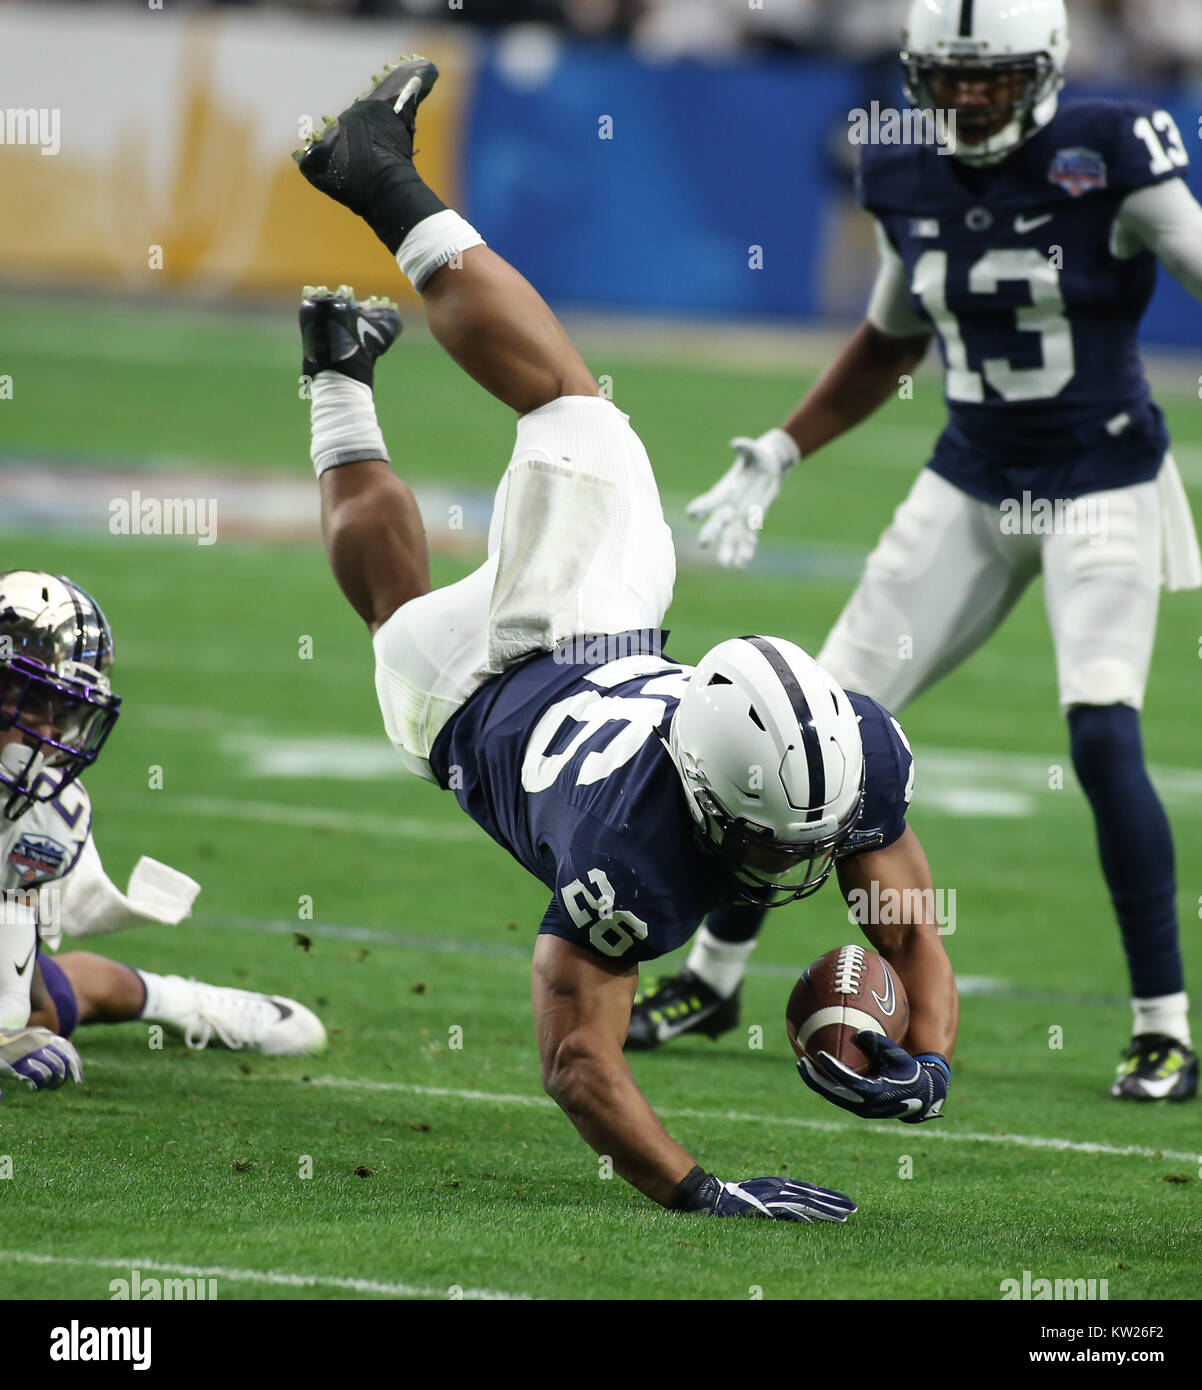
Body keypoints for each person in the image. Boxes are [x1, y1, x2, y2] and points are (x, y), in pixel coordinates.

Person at [294, 56, 958, 1222]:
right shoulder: (632, 856)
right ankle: (375, 176)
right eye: (763, 840)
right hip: (531, 678)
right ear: (701, 786)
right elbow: (575, 1060)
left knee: (405, 625)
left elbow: (905, 926)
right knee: (573, 413)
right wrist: (698, 1190)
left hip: (469, 686)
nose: (788, 864)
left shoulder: (838, 752)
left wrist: (932, 1058)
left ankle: (337, 374)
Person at [658, 0, 1202, 1101]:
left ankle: (1161, 1024)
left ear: (1044, 68)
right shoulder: (901, 168)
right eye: (943, 77)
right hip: (966, 479)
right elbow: (889, 336)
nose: (961, 99)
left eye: (987, 77)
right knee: (799, 731)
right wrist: (780, 444)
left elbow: (1200, 254)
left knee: (1101, 735)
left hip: (1099, 481)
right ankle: (711, 976)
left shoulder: (1108, 145)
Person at [0, 571, 325, 1102]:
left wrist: (8, 1026)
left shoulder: (49, 813)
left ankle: (172, 1000)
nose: (50, 734)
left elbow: (18, 981)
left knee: (47, 1012)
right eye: (35, 703)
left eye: (66, 711)